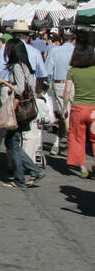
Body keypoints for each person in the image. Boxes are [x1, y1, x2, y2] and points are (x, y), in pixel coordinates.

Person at [0, 38, 46, 189]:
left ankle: (25, 175)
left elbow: (20, 89)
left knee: (12, 143)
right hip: (26, 108)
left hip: (19, 109)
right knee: (13, 142)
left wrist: (4, 83)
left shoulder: (17, 66)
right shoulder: (25, 65)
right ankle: (30, 172)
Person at [64, 30, 95, 178]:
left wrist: (65, 107)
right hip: (94, 109)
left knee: (78, 137)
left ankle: (83, 168)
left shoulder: (73, 71)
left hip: (78, 108)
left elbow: (67, 91)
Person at [46, 29, 76, 157]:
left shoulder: (54, 51)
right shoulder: (77, 51)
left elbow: (48, 71)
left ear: (62, 40)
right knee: (69, 117)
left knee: (65, 116)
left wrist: (47, 85)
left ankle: (63, 144)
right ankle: (63, 144)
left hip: (60, 84)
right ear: (74, 41)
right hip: (75, 84)